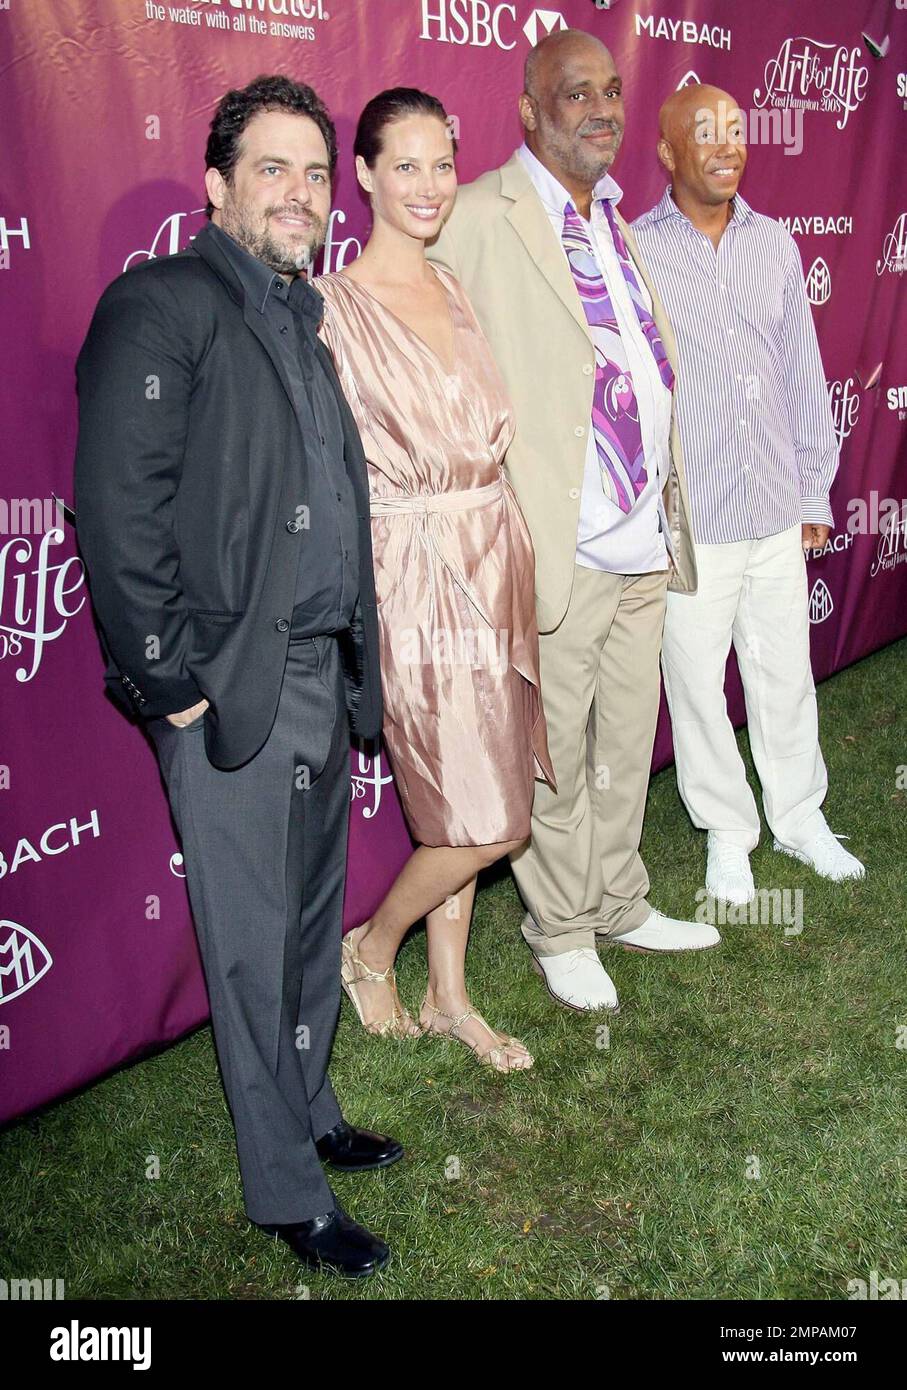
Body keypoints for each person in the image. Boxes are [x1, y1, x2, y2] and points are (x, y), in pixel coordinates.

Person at [73, 75, 404, 1279]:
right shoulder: (161, 305)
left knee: (314, 924)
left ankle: (311, 1109)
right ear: (215, 185)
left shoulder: (300, 314)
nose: (301, 192)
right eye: (273, 168)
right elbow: (117, 508)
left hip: (318, 670)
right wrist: (172, 685)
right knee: (252, 944)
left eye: (316, 173)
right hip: (229, 689)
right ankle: (284, 1188)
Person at [426, 29, 720, 1015]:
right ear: (525, 110)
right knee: (555, 756)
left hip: (643, 538)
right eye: (571, 93)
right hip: (556, 548)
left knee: (622, 741)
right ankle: (559, 928)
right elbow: (425, 370)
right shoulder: (476, 217)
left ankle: (619, 898)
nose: (598, 109)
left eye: (608, 91)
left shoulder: (610, 219)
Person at [314, 88, 556, 1072]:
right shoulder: (326, 309)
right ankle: (369, 949)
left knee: (472, 798)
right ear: (363, 175)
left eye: (442, 164)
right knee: (490, 819)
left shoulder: (455, 285)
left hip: (495, 556)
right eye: (403, 165)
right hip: (413, 576)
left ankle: (452, 993)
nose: (427, 185)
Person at [632, 84, 865, 902]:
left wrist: (811, 494)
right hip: (690, 523)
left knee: (782, 674)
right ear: (666, 152)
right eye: (704, 131)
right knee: (695, 686)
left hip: (770, 509)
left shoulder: (775, 244)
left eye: (735, 129)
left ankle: (799, 817)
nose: (726, 143)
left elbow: (801, 374)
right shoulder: (634, 249)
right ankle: (728, 830)